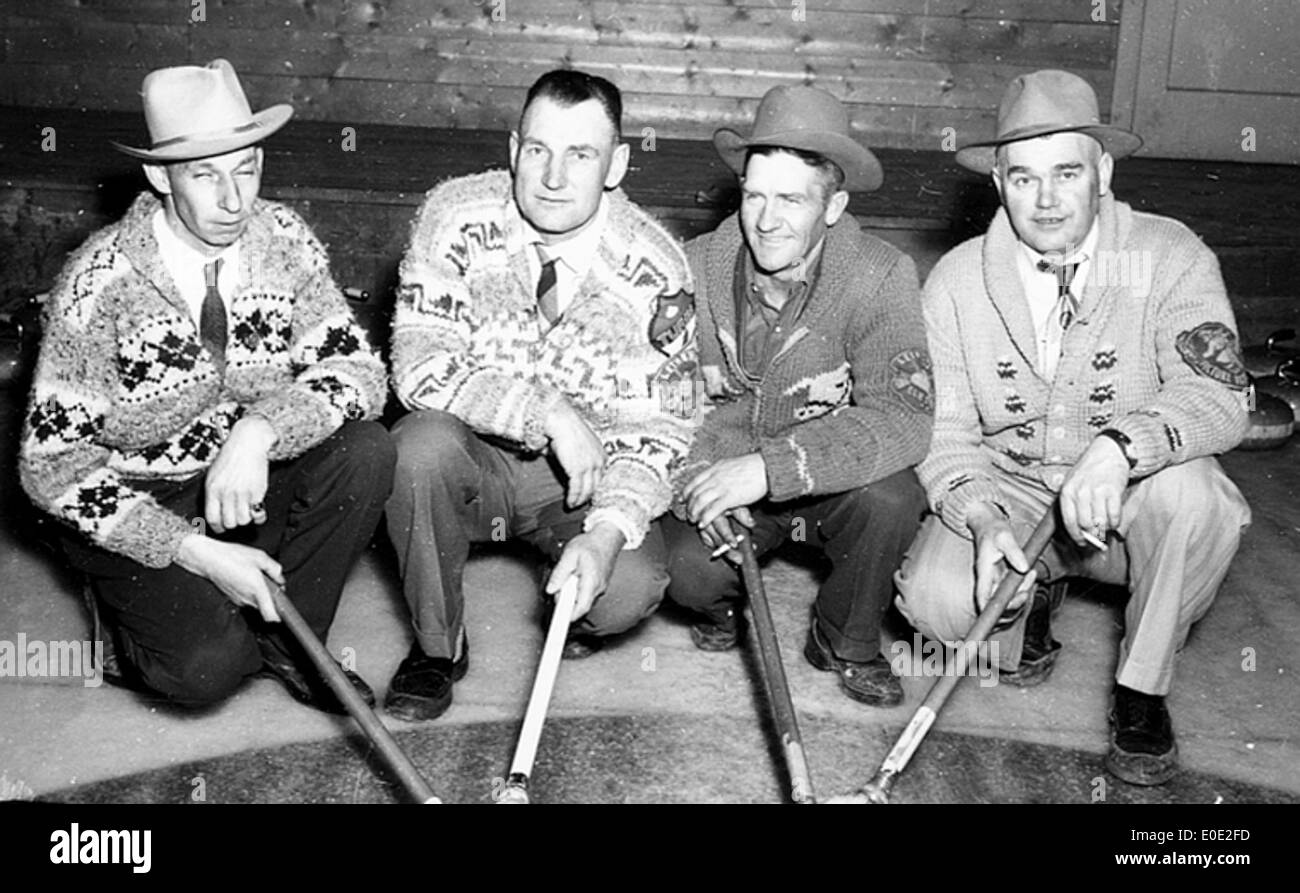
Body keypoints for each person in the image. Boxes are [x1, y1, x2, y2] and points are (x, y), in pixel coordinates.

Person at [894, 70, 1252, 785]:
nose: (1047, 199)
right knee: (936, 604)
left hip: (1130, 496)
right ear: (998, 182)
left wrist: (1125, 447)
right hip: (1016, 495)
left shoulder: (1171, 255)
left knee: (1200, 502)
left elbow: (1221, 394)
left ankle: (1142, 691)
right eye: (1024, 178)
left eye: (1067, 172)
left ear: (1104, 171)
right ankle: (1028, 610)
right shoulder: (957, 280)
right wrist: (982, 518)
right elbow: (945, 431)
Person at [19, 59, 393, 712]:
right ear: (159, 175)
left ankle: (291, 645)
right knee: (205, 673)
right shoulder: (98, 285)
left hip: (234, 474)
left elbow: (360, 372)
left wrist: (259, 430)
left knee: (366, 448)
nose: (234, 200)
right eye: (205, 174)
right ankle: (126, 624)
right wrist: (193, 552)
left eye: (247, 168)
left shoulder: (282, 239)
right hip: (132, 493)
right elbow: (49, 465)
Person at [384, 69, 696, 722]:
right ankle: (438, 646)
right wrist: (546, 410)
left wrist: (608, 532)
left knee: (627, 587)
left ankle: (573, 608)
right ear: (512, 150)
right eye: (537, 150)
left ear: (617, 165)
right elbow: (418, 368)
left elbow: (662, 431)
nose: (553, 178)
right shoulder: (453, 215)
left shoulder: (656, 266)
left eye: (580, 154)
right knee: (416, 450)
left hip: (582, 481)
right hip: (478, 458)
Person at [664, 86, 933, 707]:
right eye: (754, 195)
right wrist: (699, 477)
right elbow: (660, 404)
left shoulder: (882, 274)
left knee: (892, 498)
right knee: (687, 571)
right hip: (723, 475)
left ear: (834, 205)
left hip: (823, 485)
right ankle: (723, 611)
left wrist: (769, 470)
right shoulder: (691, 266)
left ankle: (845, 636)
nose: (765, 220)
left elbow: (904, 418)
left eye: (791, 199)